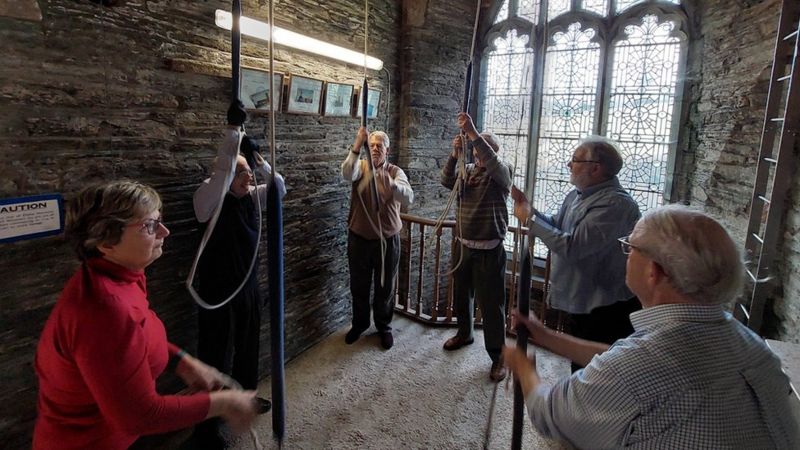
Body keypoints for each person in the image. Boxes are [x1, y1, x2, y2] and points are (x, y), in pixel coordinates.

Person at [503, 205, 800, 449]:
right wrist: (546, 337)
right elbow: (620, 357)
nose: (626, 255)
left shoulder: (638, 366)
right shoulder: (744, 339)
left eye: (629, 248)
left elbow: (551, 414)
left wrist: (526, 370)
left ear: (653, 271)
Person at [33, 181, 257, 450]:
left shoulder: (118, 275)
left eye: (159, 220)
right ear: (106, 242)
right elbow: (139, 416)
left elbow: (140, 332)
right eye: (149, 226)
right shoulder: (106, 309)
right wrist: (226, 403)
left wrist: (183, 361)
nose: (165, 231)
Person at [191, 100, 286, 448]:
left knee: (247, 347)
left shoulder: (251, 197)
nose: (248, 178)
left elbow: (278, 185)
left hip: (247, 287)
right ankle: (206, 427)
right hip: (217, 291)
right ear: (227, 174)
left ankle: (245, 398)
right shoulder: (209, 200)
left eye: (248, 174)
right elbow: (219, 179)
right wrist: (232, 136)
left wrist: (257, 160)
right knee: (214, 354)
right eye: (241, 172)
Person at [512, 136, 640, 371]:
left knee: (597, 373)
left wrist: (529, 219)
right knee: (580, 367)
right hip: (581, 299)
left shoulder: (616, 204)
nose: (569, 165)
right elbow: (557, 226)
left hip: (604, 306)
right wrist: (531, 210)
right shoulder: (576, 195)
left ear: (595, 168)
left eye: (575, 160)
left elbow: (573, 247)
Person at [441, 112, 513, 382]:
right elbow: (446, 181)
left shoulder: (501, 174)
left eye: (484, 149)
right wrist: (454, 153)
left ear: (492, 152)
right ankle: (464, 333)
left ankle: (498, 356)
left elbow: (496, 168)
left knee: (492, 305)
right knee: (462, 295)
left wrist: (473, 134)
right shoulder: (467, 171)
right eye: (476, 149)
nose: (478, 154)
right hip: (463, 245)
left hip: (488, 248)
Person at [341, 126, 413, 350]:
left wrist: (390, 184)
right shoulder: (360, 167)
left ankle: (383, 326)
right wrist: (356, 144)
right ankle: (360, 323)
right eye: (371, 145)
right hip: (359, 238)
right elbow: (346, 173)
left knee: (385, 287)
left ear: (387, 150)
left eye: (379, 146)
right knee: (359, 285)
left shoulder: (394, 172)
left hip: (387, 240)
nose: (374, 149)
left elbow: (408, 197)